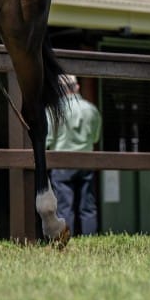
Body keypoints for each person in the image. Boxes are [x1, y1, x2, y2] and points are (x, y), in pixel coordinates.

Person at [46, 74, 102, 236]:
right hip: (87, 161)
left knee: (64, 206)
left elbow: (47, 139)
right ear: (77, 87)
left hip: (62, 162)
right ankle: (90, 239)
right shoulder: (91, 109)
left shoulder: (54, 110)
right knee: (88, 206)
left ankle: (66, 240)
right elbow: (96, 137)